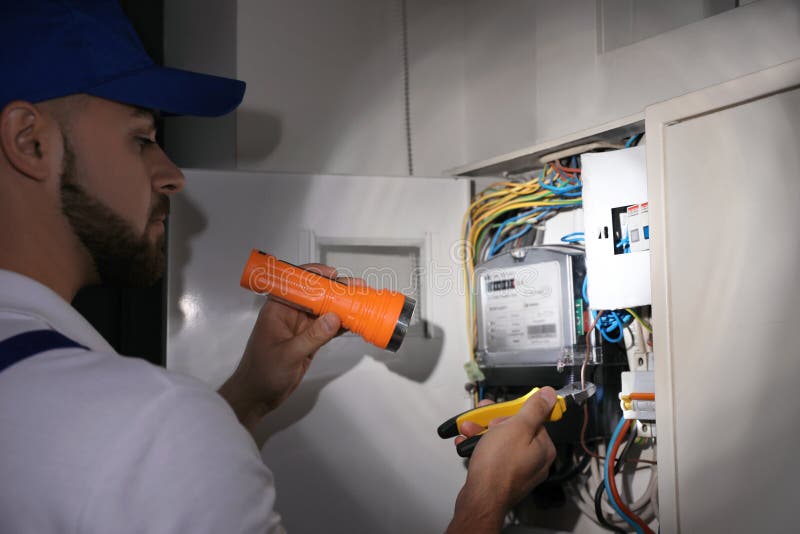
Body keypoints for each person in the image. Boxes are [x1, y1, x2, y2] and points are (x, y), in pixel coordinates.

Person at [0, 1, 556, 533]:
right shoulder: (147, 423)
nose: (171, 174)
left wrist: (245, 399)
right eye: (141, 139)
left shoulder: (63, 402)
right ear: (30, 142)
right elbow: (145, 458)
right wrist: (486, 500)